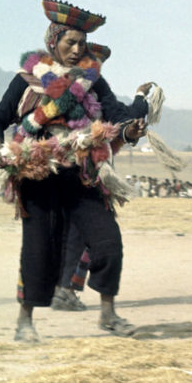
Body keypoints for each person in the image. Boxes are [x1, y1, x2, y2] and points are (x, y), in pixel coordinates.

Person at [0, 0, 147, 342]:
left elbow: (116, 113)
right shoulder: (27, 80)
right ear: (52, 41)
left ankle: (108, 314)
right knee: (38, 247)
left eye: (81, 44)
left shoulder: (92, 81)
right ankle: (24, 321)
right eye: (69, 42)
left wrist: (131, 129)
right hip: (37, 172)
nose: (76, 50)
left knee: (108, 242)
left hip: (82, 173)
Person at [51, 77, 153, 312]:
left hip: (61, 172)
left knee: (72, 234)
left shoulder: (58, 86)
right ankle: (67, 290)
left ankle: (65, 289)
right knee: (87, 235)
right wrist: (140, 99)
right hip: (85, 174)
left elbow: (122, 118)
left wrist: (139, 97)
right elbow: (122, 116)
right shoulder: (92, 88)